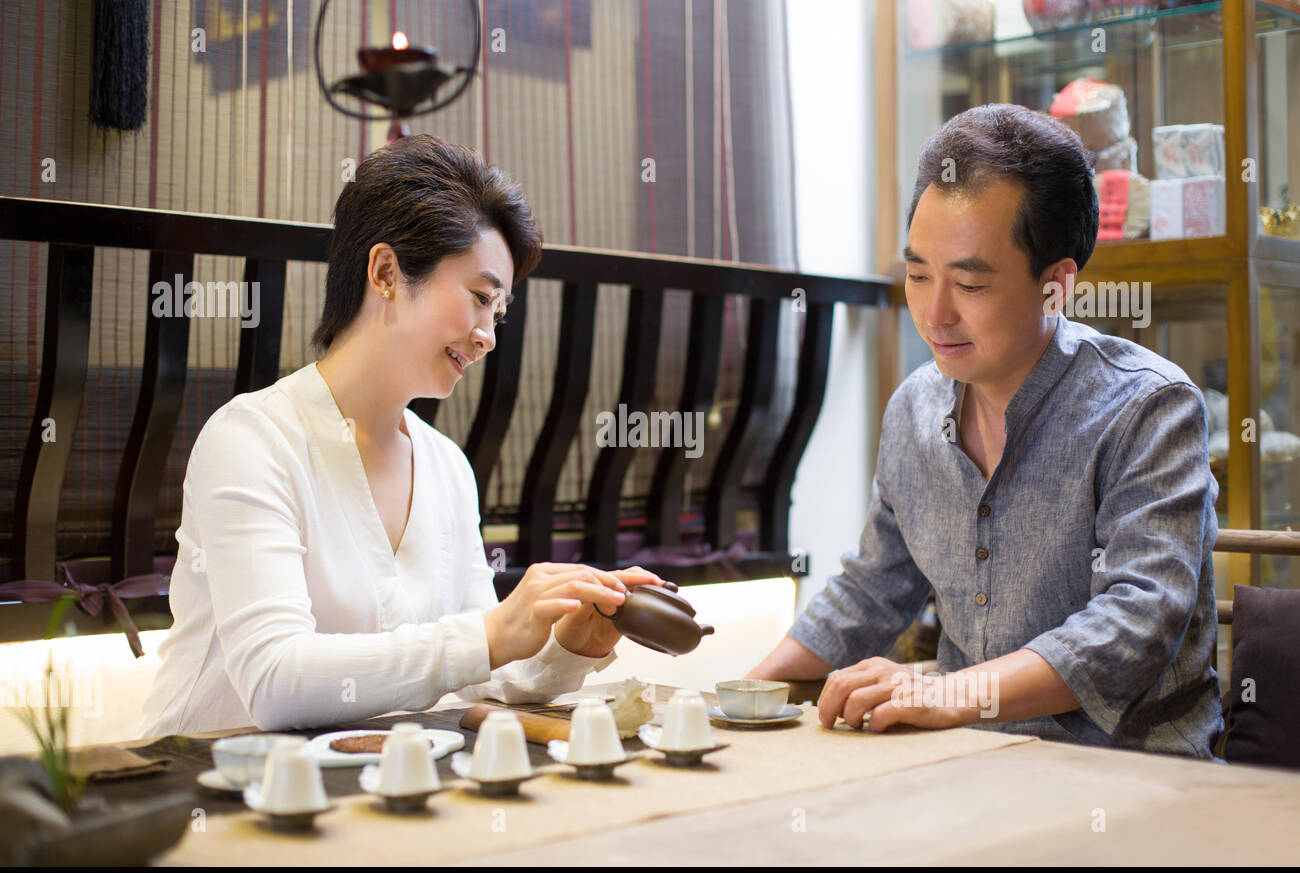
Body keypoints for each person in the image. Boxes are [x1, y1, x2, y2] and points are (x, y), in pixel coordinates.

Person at [138, 135, 658, 737]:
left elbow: (466, 677)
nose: (488, 334)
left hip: (358, 794)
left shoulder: (446, 467)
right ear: (386, 272)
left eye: (500, 312)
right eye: (480, 297)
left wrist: (568, 647)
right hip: (201, 787)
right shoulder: (252, 441)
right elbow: (274, 681)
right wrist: (490, 633)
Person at [747, 104, 1224, 759]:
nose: (935, 313)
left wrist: (946, 695)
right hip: (969, 763)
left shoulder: (1150, 407)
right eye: (918, 275)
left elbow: (1135, 625)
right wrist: (739, 697)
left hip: (1133, 780)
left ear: (1056, 286)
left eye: (969, 283)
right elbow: (871, 589)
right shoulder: (915, 410)